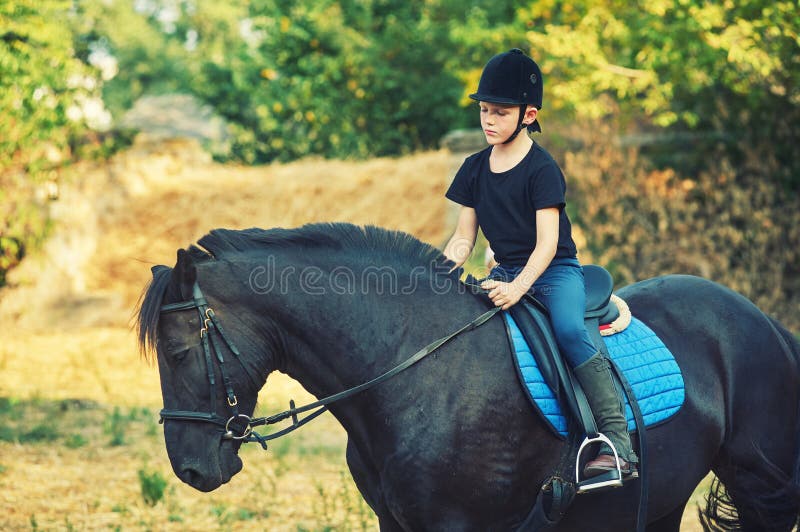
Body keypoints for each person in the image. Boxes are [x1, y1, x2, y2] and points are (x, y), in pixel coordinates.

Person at [442, 48, 638, 479]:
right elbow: (463, 238)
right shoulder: (473, 168)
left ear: (529, 114)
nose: (488, 120)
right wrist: (438, 274)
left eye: (500, 112)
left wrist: (517, 288)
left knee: (569, 330)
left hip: (553, 274)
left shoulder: (542, 169)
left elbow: (548, 245)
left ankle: (616, 441)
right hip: (507, 270)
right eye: (484, 110)